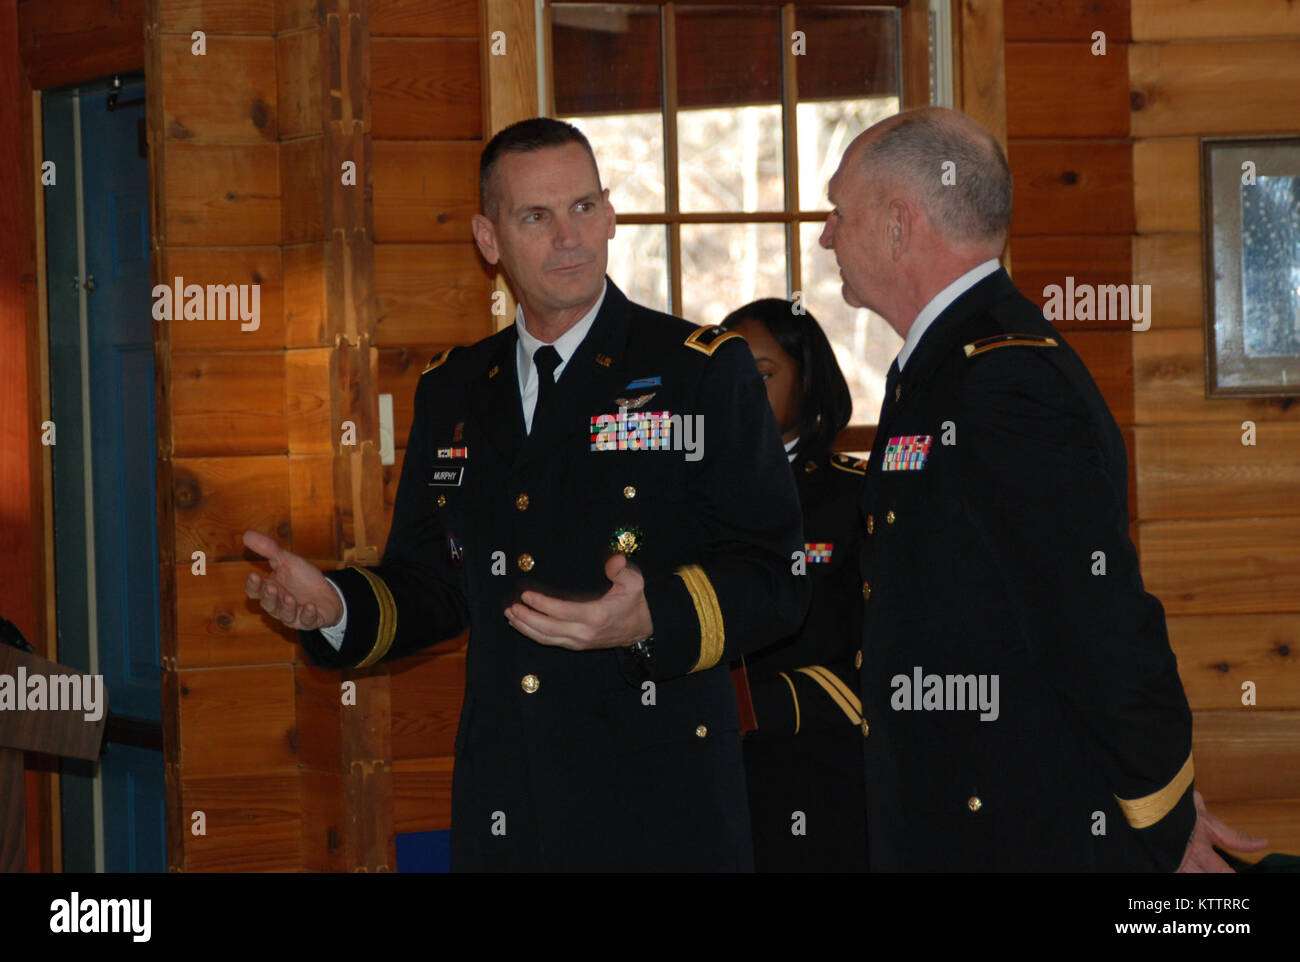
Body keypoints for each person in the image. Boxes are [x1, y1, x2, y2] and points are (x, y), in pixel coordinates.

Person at [240, 117, 809, 871]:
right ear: (488, 237)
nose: (569, 237)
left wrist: (650, 616)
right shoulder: (454, 389)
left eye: (583, 208)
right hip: (509, 800)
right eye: (536, 217)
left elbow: (776, 579)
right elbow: (435, 581)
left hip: (660, 806)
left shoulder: (701, 370)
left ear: (609, 215)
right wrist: (339, 607)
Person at [819, 106, 1267, 871]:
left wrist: (1159, 813)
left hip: (1017, 825)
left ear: (899, 225)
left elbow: (1094, 613)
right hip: (955, 807)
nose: (827, 235)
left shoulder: (1000, 380)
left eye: (838, 210)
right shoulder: (945, 363)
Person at [718, 299, 869, 872]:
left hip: (819, 767)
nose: (743, 391)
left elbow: (879, 651)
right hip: (708, 773)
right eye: (731, 378)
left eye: (762, 374)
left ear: (809, 381)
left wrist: (754, 704)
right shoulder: (689, 498)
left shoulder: (855, 497)